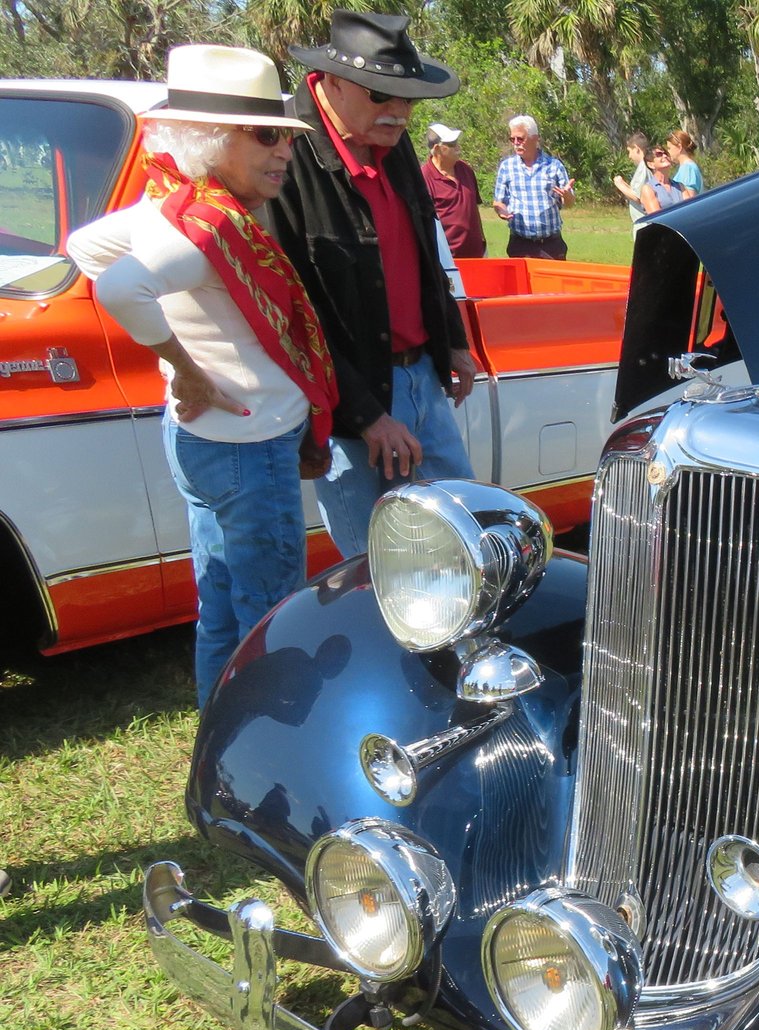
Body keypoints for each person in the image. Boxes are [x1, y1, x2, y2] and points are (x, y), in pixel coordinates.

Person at [66, 45, 334, 706]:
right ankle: (270, 746)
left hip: (207, 444)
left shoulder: (173, 207)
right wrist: (183, 366)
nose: (283, 153)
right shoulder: (201, 232)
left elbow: (84, 248)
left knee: (220, 605)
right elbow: (121, 289)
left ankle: (220, 731)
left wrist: (175, 353)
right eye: (267, 137)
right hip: (250, 449)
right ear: (210, 140)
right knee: (268, 615)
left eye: (287, 139)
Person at [273, 10, 477, 560]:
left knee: (460, 540)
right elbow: (293, 314)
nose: (399, 112)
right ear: (332, 84)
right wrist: (364, 416)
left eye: (407, 98)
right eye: (381, 95)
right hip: (350, 407)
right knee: (378, 568)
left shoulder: (392, 139)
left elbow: (423, 250)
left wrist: (450, 338)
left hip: (421, 381)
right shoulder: (284, 155)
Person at [493, 114, 573, 258]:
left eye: (520, 138)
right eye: (513, 139)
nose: (516, 143)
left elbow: (570, 202)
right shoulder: (507, 167)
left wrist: (567, 196)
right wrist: (501, 211)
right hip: (520, 245)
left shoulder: (554, 166)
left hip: (551, 246)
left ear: (535, 138)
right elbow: (499, 201)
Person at [421, 121, 486, 259]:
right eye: (451, 144)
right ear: (437, 149)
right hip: (446, 261)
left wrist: (483, 242)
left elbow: (474, 209)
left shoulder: (466, 170)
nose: (457, 147)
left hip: (476, 256)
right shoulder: (424, 178)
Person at [613, 131, 662, 229]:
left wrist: (619, 184)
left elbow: (637, 197)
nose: (629, 156)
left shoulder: (644, 167)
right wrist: (624, 184)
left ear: (637, 149)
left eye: (629, 151)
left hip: (644, 224)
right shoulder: (645, 166)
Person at [662, 130, 704, 202]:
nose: (668, 152)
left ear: (679, 147)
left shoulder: (688, 169)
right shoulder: (686, 168)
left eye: (669, 148)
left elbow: (690, 200)